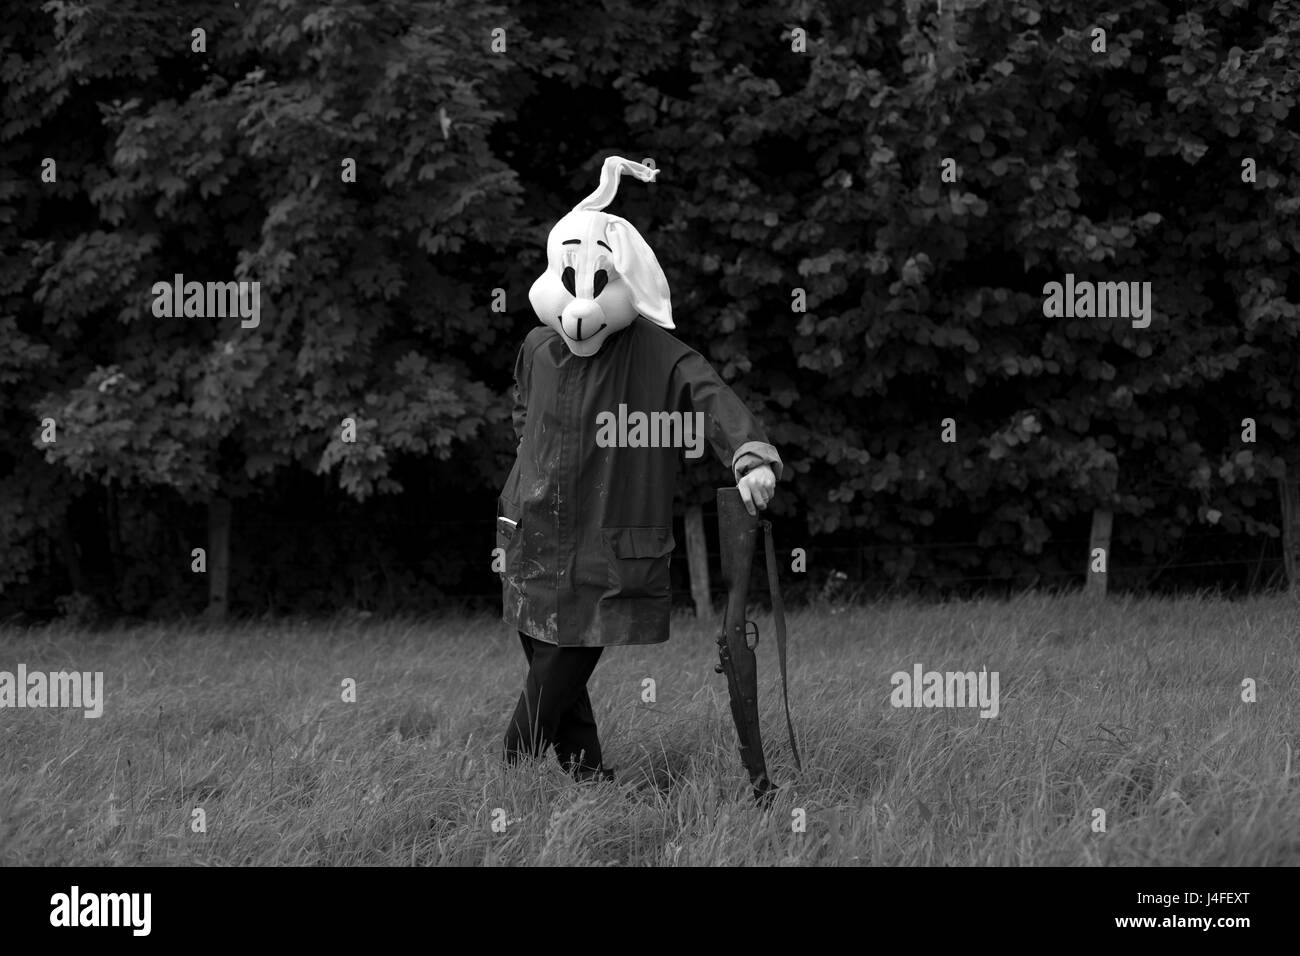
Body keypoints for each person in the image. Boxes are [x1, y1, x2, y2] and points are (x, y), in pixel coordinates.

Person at [498, 156, 782, 781]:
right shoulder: (538, 346)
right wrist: (530, 461)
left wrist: (749, 455)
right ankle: (590, 783)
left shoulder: (658, 353)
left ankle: (505, 776)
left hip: (606, 541)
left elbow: (710, 398)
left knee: (560, 664)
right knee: (550, 659)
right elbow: (522, 408)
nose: (578, 310)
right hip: (532, 529)